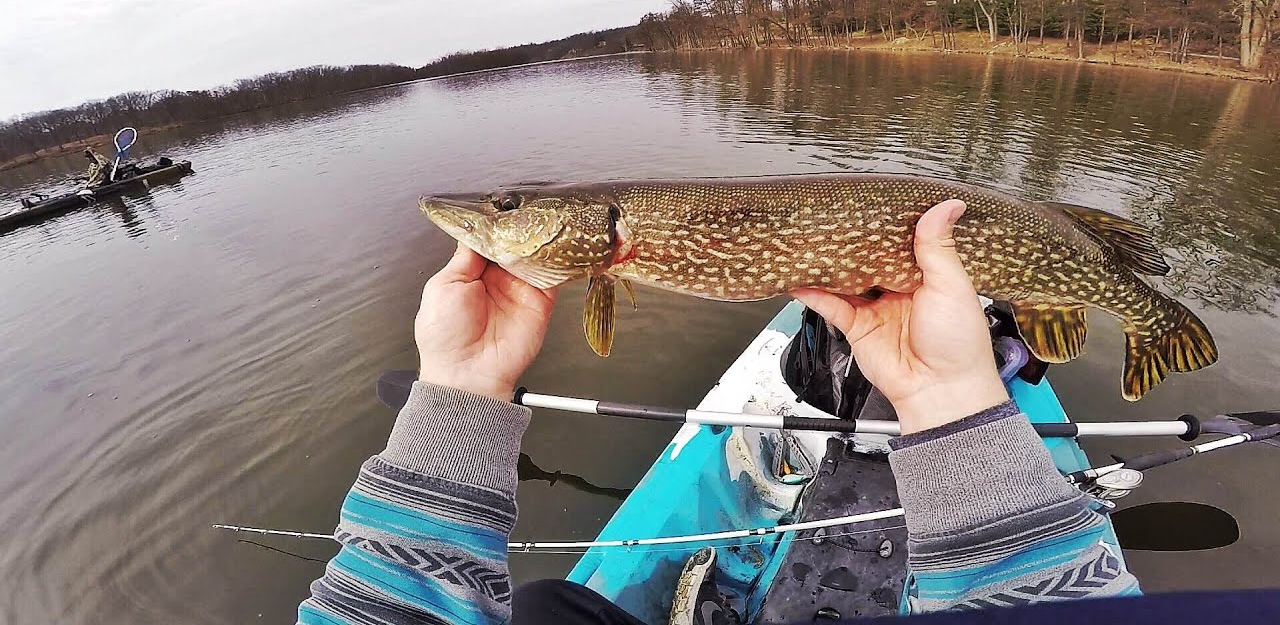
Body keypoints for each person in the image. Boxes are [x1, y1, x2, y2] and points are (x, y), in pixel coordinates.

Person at [296, 201, 1272, 624]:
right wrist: (952, 400)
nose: (478, 215)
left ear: (600, 227)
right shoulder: (604, 243)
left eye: (508, 208)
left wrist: (461, 388)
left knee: (550, 607)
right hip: (959, 409)